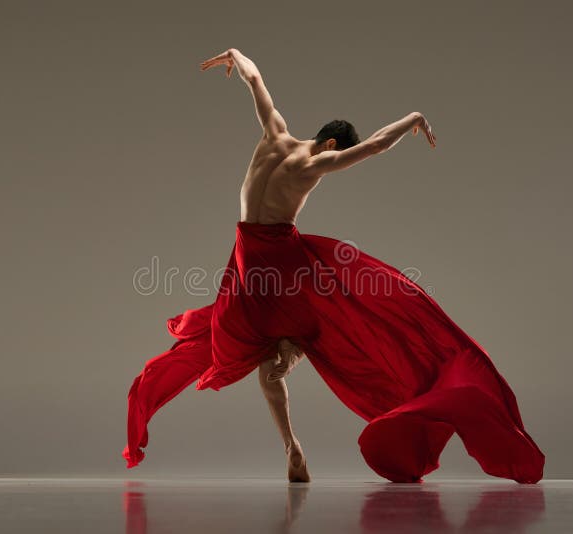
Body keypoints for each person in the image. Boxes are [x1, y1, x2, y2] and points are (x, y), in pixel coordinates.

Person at [122, 48, 545, 484]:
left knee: (254, 350)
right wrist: (414, 116)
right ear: (330, 145)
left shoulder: (274, 133)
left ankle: (292, 438)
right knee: (306, 333)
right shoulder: (314, 163)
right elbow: (377, 145)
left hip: (249, 266)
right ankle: (294, 360)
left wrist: (236, 56)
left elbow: (255, 80)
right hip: (283, 266)